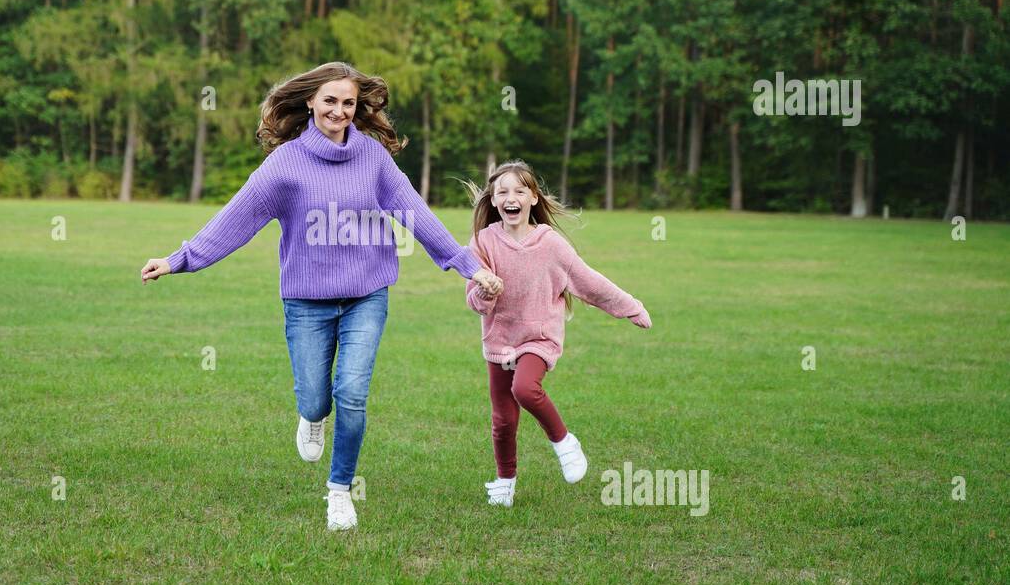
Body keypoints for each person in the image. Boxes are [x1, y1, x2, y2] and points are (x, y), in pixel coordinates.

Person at [140, 61, 502, 530]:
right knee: (315, 398)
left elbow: (416, 214)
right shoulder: (285, 164)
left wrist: (469, 266)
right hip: (306, 302)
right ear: (310, 101)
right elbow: (235, 219)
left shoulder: (373, 159)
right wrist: (179, 259)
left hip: (366, 296)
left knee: (351, 393)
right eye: (330, 100)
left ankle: (339, 491)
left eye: (348, 102)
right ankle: (312, 417)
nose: (339, 110)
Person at [462, 161, 651, 508]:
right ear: (492, 200)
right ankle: (505, 482)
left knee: (524, 387)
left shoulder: (551, 245)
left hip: (539, 338)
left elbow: (589, 282)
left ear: (533, 198)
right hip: (501, 341)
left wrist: (630, 307)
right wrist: (486, 292)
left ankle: (565, 442)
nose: (511, 197)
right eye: (502, 192)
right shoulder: (483, 243)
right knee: (503, 420)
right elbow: (474, 301)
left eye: (519, 190)